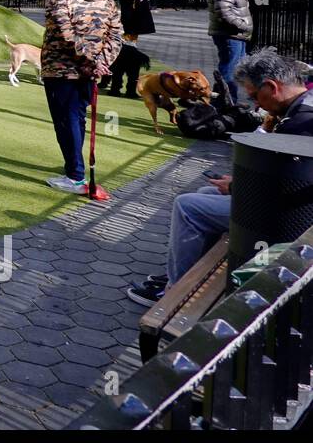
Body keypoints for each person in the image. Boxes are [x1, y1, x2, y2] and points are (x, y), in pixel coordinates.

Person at [127, 48, 313, 306]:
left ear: (272, 86)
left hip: (295, 218)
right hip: (292, 207)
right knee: (205, 195)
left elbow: (287, 185)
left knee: (188, 207)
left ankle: (176, 291)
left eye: (255, 96)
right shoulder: (301, 107)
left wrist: (237, 186)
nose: (256, 105)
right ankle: (188, 274)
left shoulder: (300, 124)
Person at [40, 0, 123, 193]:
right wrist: (100, 61)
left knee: (66, 121)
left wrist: (91, 61)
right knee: (76, 118)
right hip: (89, 70)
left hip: (62, 69)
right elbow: (116, 35)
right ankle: (74, 167)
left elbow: (64, 33)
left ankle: (75, 175)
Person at [208, 0, 254, 102]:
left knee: (234, 70)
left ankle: (225, 101)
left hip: (235, 34)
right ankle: (226, 102)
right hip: (230, 34)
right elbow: (224, 13)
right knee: (229, 71)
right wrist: (244, 26)